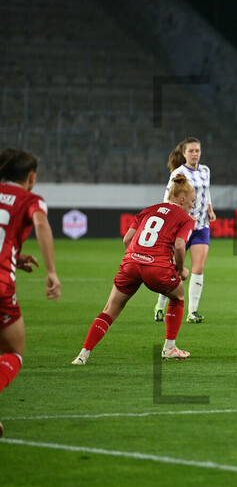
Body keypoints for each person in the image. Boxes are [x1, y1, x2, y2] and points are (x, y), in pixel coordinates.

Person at [71, 175, 196, 365]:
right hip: (158, 269)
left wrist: (138, 258)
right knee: (178, 296)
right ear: (182, 199)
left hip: (131, 263)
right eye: (192, 201)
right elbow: (180, 246)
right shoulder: (185, 218)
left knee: (110, 310)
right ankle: (169, 348)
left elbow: (127, 240)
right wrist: (181, 269)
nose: (193, 205)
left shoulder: (149, 210)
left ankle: (83, 354)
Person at [0, 148, 61, 437]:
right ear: (32, 177)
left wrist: (15, 255)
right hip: (0, 287)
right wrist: (50, 271)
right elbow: (40, 223)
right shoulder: (30, 199)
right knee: (13, 351)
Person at [153, 137, 216, 324]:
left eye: (197, 150)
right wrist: (177, 220)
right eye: (191, 151)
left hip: (201, 226)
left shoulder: (205, 170)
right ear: (184, 153)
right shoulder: (179, 173)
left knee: (199, 267)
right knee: (172, 268)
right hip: (181, 227)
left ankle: (192, 312)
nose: (195, 154)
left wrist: (210, 209)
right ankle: (160, 306)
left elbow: (207, 192)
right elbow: (168, 199)